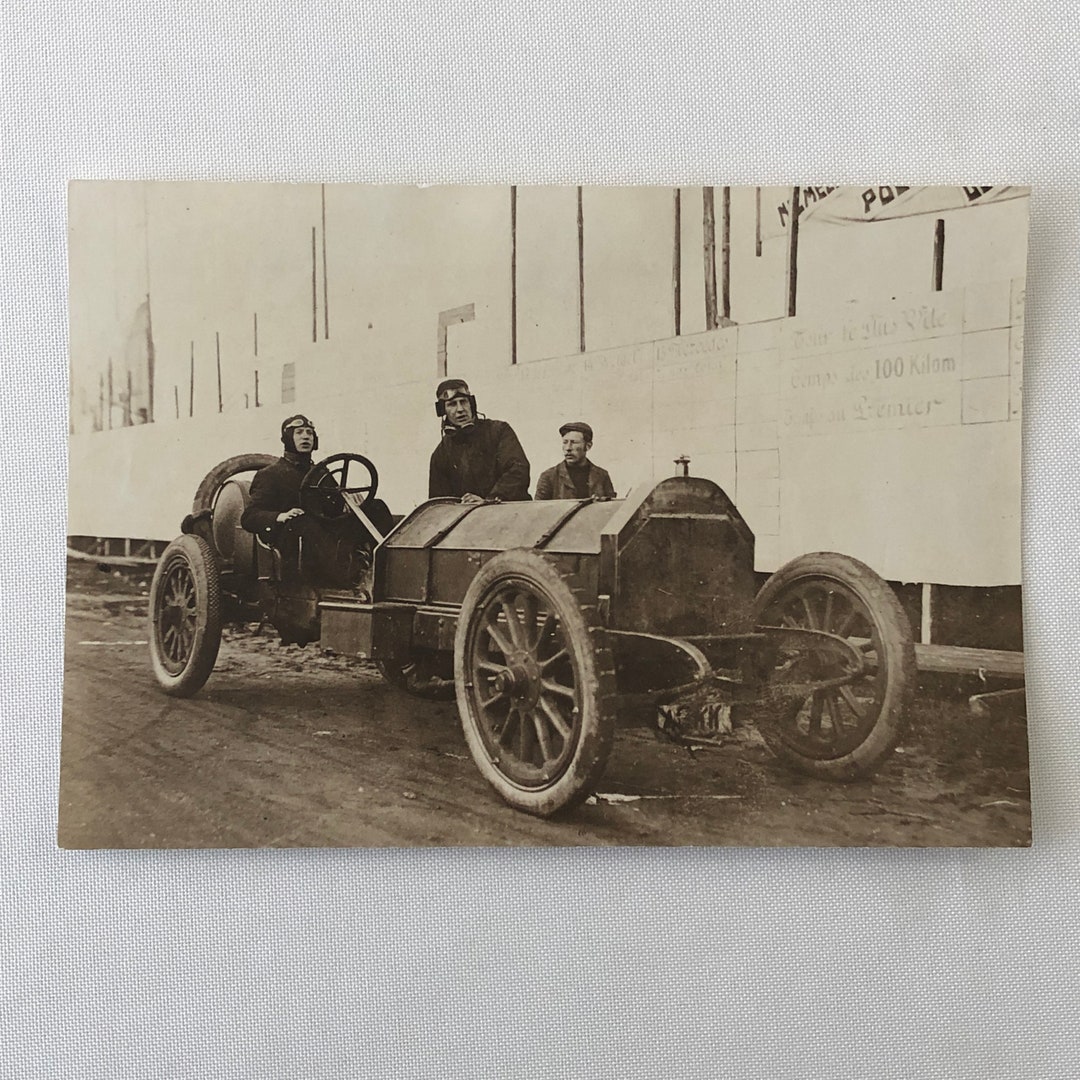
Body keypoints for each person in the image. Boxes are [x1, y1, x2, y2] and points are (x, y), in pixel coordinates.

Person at [428, 378, 531, 503]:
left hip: (509, 511)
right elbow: (440, 502)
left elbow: (518, 470)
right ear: (443, 411)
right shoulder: (441, 453)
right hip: (470, 518)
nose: (460, 409)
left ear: (472, 404)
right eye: (452, 404)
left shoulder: (499, 431)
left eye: (463, 402)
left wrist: (491, 499)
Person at [240, 415, 321, 544]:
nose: (305, 436)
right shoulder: (270, 474)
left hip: (323, 535)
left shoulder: (321, 472)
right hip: (289, 541)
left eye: (309, 433)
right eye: (299, 432)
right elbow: (249, 517)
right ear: (288, 439)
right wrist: (281, 516)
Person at [534, 421, 616, 500]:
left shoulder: (602, 476)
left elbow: (611, 508)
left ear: (588, 446)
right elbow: (539, 511)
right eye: (565, 442)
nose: (568, 448)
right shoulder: (549, 477)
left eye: (574, 442)